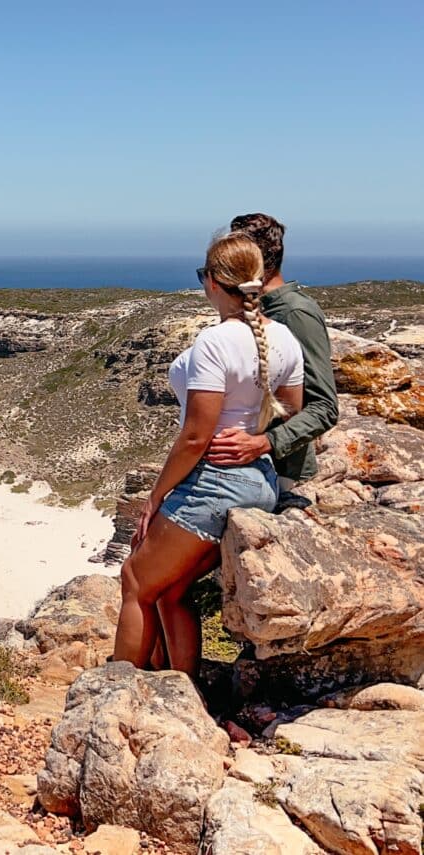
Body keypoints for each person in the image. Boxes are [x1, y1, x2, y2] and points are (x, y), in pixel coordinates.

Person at [113, 232, 304, 677]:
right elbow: (294, 407)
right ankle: (185, 689)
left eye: (203, 275)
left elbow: (196, 437)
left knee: (136, 581)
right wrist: (254, 437)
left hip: (212, 483)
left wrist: (155, 497)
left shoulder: (215, 342)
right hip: (259, 480)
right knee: (171, 590)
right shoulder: (284, 338)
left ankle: (119, 689)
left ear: (214, 281)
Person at [205, 213, 339, 488]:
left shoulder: (294, 313)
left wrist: (263, 443)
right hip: (243, 467)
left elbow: (325, 407)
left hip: (280, 470)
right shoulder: (256, 309)